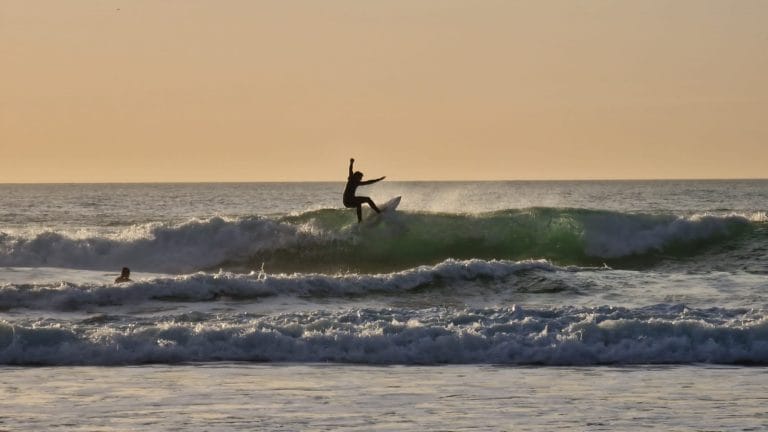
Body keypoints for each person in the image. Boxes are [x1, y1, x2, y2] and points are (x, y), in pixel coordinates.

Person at [343, 158, 385, 223]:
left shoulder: (357, 182)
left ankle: (360, 221)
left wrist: (378, 180)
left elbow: (368, 182)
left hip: (348, 201)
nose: (361, 179)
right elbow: (350, 170)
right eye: (360, 178)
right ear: (357, 176)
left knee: (360, 203)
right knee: (366, 200)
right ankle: (378, 212)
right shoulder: (351, 179)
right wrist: (351, 163)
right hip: (348, 200)